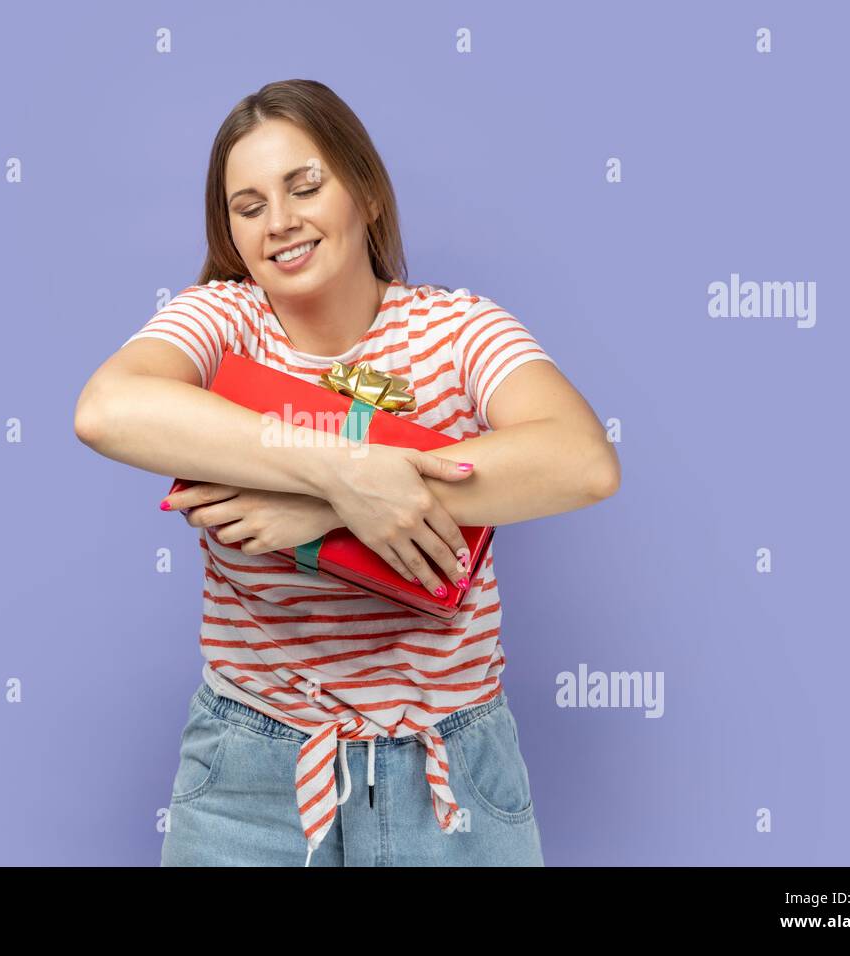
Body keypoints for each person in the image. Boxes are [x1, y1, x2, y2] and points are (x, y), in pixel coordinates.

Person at [73, 79, 620, 866]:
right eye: (249, 205)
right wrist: (339, 472)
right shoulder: (221, 322)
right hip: (250, 772)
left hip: (451, 766)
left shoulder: (458, 328)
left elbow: (581, 460)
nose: (281, 222)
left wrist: (328, 512)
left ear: (364, 191)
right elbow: (107, 410)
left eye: (305, 186)